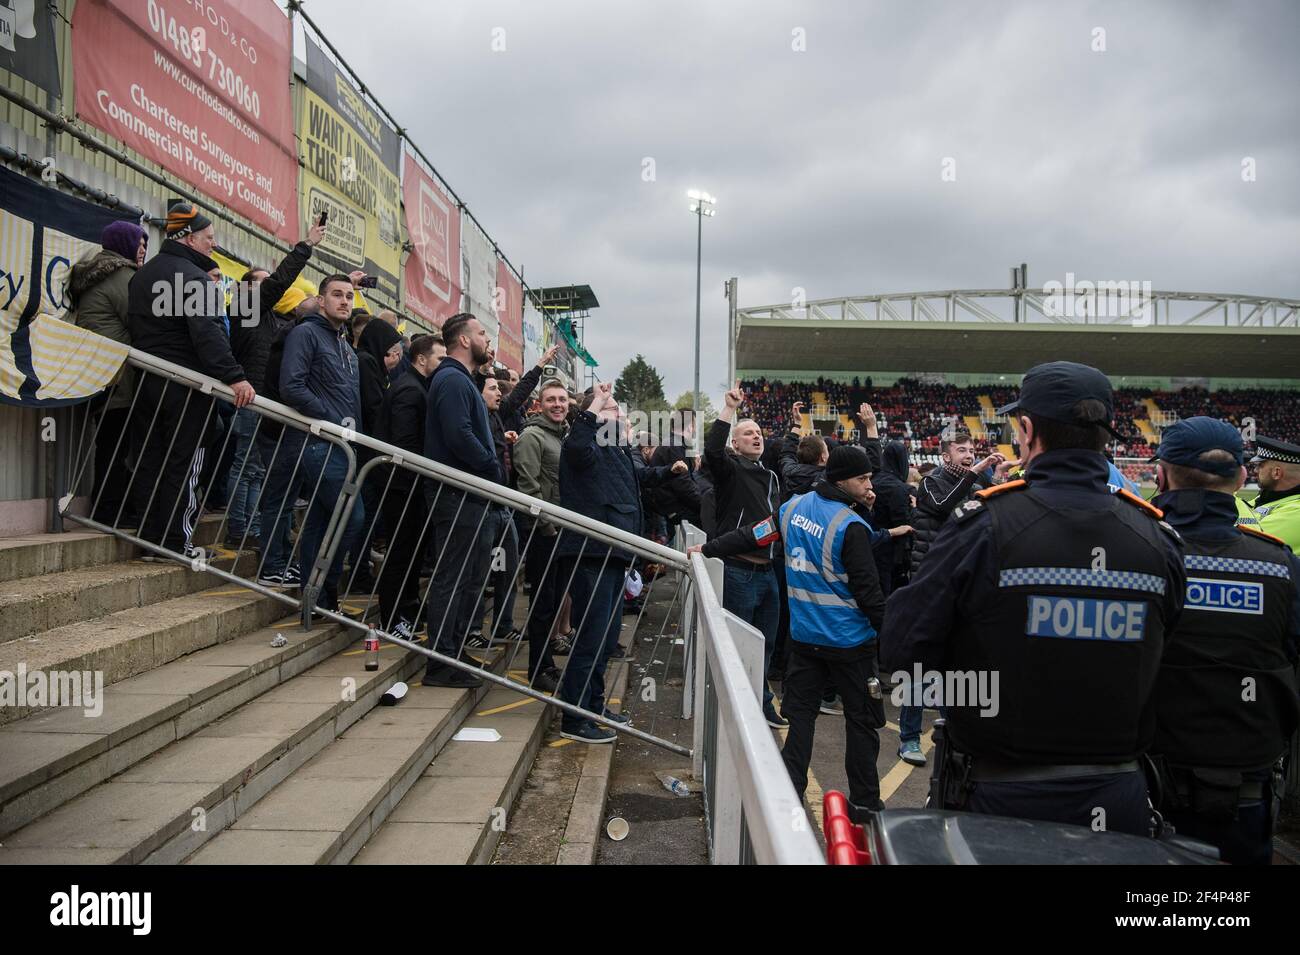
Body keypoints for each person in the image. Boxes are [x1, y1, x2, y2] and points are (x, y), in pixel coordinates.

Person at [880, 361, 1186, 835]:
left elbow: (903, 649)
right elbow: (1174, 657)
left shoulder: (983, 524)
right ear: (1107, 436)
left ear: (1026, 429)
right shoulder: (1155, 536)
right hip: (1118, 797)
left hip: (999, 797)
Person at [1148, 417, 1300, 864]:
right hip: (1244, 786)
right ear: (1239, 479)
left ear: (1161, 475)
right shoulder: (1279, 563)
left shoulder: (1137, 550)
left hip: (1146, 778)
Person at [125, 203, 254, 557]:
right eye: (209, 238)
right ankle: (175, 543)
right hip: (186, 387)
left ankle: (149, 539)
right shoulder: (195, 279)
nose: (213, 245)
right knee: (184, 462)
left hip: (147, 381)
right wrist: (235, 377)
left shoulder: (143, 275)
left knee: (150, 459)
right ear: (189, 238)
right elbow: (208, 333)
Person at [555, 383, 651, 742]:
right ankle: (574, 716)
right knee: (591, 637)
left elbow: (636, 485)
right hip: (591, 552)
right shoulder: (583, 442)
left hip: (613, 554)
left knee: (606, 638)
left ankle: (593, 704)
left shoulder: (614, 449)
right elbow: (579, 449)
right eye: (614, 411)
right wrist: (595, 403)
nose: (623, 418)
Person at [225, 219, 327, 548]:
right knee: (245, 466)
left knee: (255, 469)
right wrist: (306, 246)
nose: (270, 289)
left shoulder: (267, 318)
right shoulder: (247, 308)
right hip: (249, 401)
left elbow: (303, 304)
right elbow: (281, 283)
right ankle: (240, 528)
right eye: (262, 284)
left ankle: (251, 528)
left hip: (261, 400)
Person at [278, 274, 366, 613]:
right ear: (321, 300)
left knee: (318, 520)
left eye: (349, 296)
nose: (345, 301)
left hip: (345, 446)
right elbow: (292, 387)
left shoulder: (344, 344)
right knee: (352, 517)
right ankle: (325, 591)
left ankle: (316, 599)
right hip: (319, 443)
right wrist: (330, 419)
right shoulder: (306, 333)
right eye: (337, 295)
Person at [421, 313, 499, 688]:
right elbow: (458, 434)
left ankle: (451, 649)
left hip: (468, 493)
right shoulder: (452, 379)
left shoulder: (461, 379)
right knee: (451, 576)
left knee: (468, 574)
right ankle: (439, 662)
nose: (487, 339)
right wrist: (491, 466)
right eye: (482, 333)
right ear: (465, 340)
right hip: (456, 493)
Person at [706, 380, 786, 728]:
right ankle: (739, 710)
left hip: (768, 573)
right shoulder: (729, 469)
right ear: (735, 444)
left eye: (758, 433)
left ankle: (761, 699)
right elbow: (711, 451)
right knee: (739, 644)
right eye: (748, 433)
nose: (756, 437)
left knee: (765, 644)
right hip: (738, 571)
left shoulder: (770, 476)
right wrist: (729, 410)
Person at [68, 220, 146, 525]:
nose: (142, 249)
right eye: (139, 243)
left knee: (111, 444)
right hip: (118, 378)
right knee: (117, 447)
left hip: (102, 374)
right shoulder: (123, 277)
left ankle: (110, 509)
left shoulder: (100, 273)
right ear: (123, 243)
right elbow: (141, 320)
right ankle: (110, 511)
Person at [375, 334, 443, 639]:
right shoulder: (409, 390)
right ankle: (392, 618)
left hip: (413, 488)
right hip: (402, 488)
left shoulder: (419, 387)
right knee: (401, 553)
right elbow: (404, 444)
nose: (444, 364)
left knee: (412, 553)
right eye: (440, 358)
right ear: (420, 359)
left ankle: (410, 606)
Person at [512, 378, 570, 692]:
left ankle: (547, 663)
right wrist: (548, 529)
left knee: (553, 602)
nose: (558, 404)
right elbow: (529, 489)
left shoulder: (562, 436)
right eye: (551, 400)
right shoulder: (531, 437)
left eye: (562, 399)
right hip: (544, 534)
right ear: (540, 404)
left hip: (562, 534)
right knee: (543, 604)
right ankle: (538, 668)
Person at [909, 430, 1011, 576]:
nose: (969, 455)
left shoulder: (974, 487)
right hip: (932, 566)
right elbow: (943, 506)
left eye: (971, 451)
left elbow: (991, 513)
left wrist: (998, 475)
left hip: (964, 564)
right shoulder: (929, 482)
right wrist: (973, 472)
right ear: (946, 457)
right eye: (962, 450)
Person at [1251, 436, 1300, 553]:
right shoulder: (1266, 498)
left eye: (1260, 465)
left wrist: (1228, 487)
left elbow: (1244, 540)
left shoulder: (1297, 512)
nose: (1255, 470)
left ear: (1276, 473)